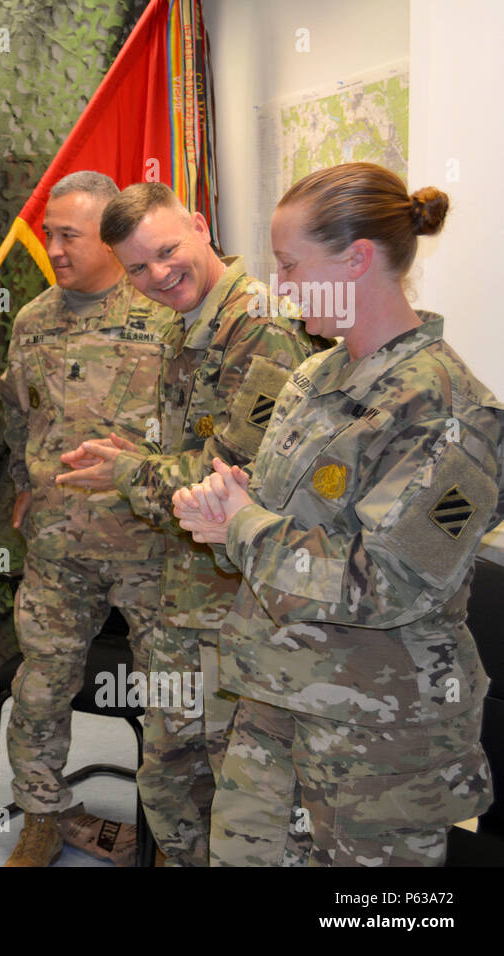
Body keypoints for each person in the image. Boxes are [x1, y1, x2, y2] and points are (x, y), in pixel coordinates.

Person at [173, 163, 501, 866]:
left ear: (356, 259)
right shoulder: (315, 377)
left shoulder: (449, 408)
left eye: (291, 266)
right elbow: (287, 527)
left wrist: (245, 526)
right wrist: (224, 514)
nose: (280, 287)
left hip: (377, 735)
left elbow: (394, 582)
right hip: (276, 695)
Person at [58, 182, 319, 865]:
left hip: (239, 615)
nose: (156, 275)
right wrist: (136, 459)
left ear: (201, 225)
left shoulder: (259, 328)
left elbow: (229, 484)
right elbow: (197, 453)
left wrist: (124, 476)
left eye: (167, 251)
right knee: (172, 786)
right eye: (137, 268)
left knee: (238, 808)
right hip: (189, 606)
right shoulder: (191, 322)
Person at [0, 172, 168, 866]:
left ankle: (167, 830)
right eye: (48, 235)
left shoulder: (162, 314)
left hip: (150, 543)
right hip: (59, 545)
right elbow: (17, 416)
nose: (54, 249)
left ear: (107, 236)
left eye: (68, 235)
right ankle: (43, 814)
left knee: (170, 694)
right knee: (40, 686)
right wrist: (21, 483)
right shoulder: (32, 320)